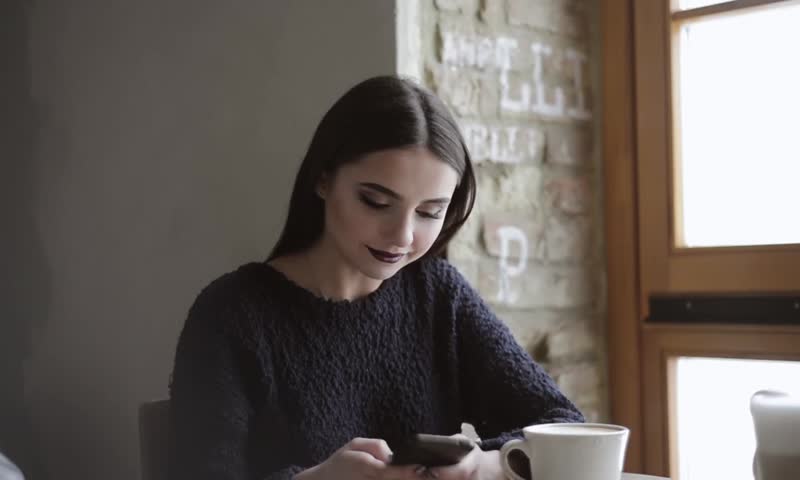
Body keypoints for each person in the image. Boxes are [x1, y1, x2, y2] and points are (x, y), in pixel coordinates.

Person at [168, 75, 584, 480]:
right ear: (323, 178)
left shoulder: (438, 294)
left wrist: (484, 464)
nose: (403, 236)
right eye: (376, 201)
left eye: (430, 212)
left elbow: (563, 426)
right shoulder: (232, 313)